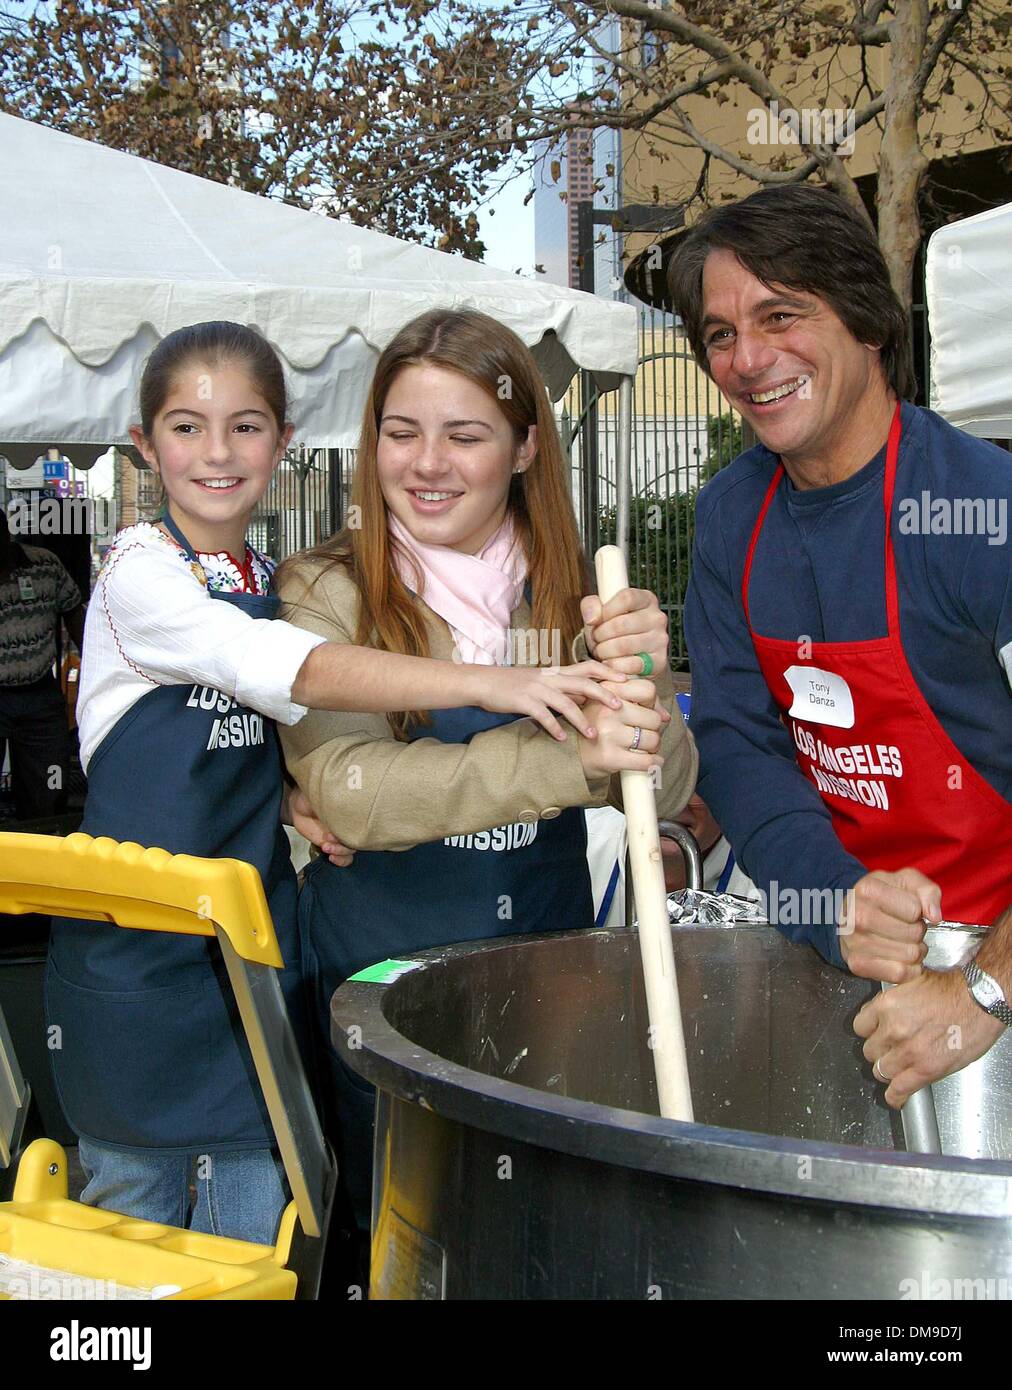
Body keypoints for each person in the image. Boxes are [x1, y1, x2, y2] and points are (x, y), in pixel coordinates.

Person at [46, 320, 624, 1243]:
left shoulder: (259, 575)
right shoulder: (139, 575)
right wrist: (497, 689)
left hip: (252, 958)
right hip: (145, 962)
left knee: (260, 1235)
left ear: (282, 440)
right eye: (187, 428)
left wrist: (283, 796)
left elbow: (236, 743)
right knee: (138, 1238)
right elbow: (290, 673)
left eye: (244, 427)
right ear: (143, 445)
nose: (217, 453)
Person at [276, 307, 698, 1242]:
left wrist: (650, 684)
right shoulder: (324, 591)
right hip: (381, 988)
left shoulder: (577, 595)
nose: (427, 464)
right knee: (409, 1236)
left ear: (524, 447)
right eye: (402, 433)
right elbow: (349, 790)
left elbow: (663, 792)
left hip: (549, 980)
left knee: (545, 1231)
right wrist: (566, 759)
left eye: (465, 436)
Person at [669, 184, 1011, 1108]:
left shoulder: (983, 512)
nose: (749, 359)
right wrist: (833, 900)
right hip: (848, 970)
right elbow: (739, 742)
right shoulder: (733, 517)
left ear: (864, 320)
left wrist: (985, 988)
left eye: (781, 316)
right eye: (721, 334)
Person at [0, 510, 85, 819]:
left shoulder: (44, 565)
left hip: (40, 694)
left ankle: (47, 833)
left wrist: (95, 664)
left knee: (50, 780)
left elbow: (74, 612)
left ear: (6, 536)